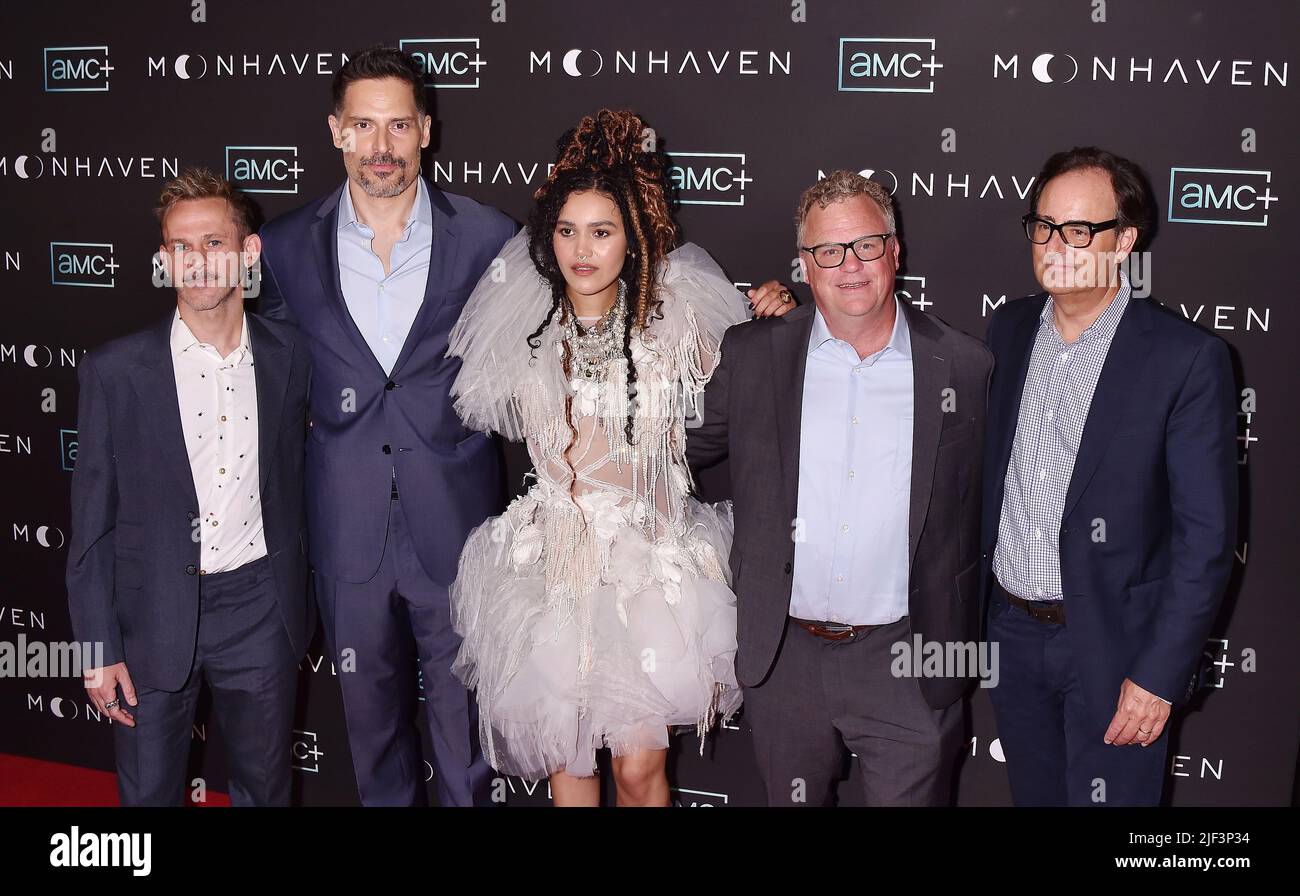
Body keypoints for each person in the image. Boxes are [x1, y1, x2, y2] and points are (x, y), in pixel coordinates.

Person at [446, 109, 794, 806]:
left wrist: (782, 305)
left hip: (651, 568)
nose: (582, 250)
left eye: (601, 232)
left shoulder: (681, 318)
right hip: (554, 572)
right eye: (568, 231)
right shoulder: (522, 324)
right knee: (568, 765)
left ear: (632, 239)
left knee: (640, 772)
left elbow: (759, 362)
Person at [256, 46, 515, 806]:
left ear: (426, 131)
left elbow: (572, 313)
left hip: (457, 522)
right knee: (371, 734)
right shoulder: (281, 245)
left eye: (398, 125)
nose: (380, 147)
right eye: (363, 126)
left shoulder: (488, 236)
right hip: (346, 527)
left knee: (468, 736)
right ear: (336, 131)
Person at [687, 170, 993, 806]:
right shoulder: (754, 355)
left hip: (909, 661)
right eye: (828, 250)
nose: (849, 265)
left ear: (895, 250)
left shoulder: (964, 365)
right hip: (785, 658)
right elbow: (675, 450)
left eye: (867, 245)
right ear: (804, 264)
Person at [981, 146, 1237, 806]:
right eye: (1042, 225)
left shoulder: (1185, 359)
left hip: (1118, 649)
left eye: (1079, 230)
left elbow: (1205, 541)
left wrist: (1158, 674)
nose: (1055, 245)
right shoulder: (1006, 330)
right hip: (1011, 635)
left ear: (1125, 241)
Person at [67, 168, 311, 806]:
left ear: (247, 252)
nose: (197, 263)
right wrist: (98, 649)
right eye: (180, 247)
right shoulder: (116, 371)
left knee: (265, 788)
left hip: (260, 605)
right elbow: (90, 530)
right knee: (148, 793)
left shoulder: (291, 356)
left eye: (213, 243)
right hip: (151, 616)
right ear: (162, 259)